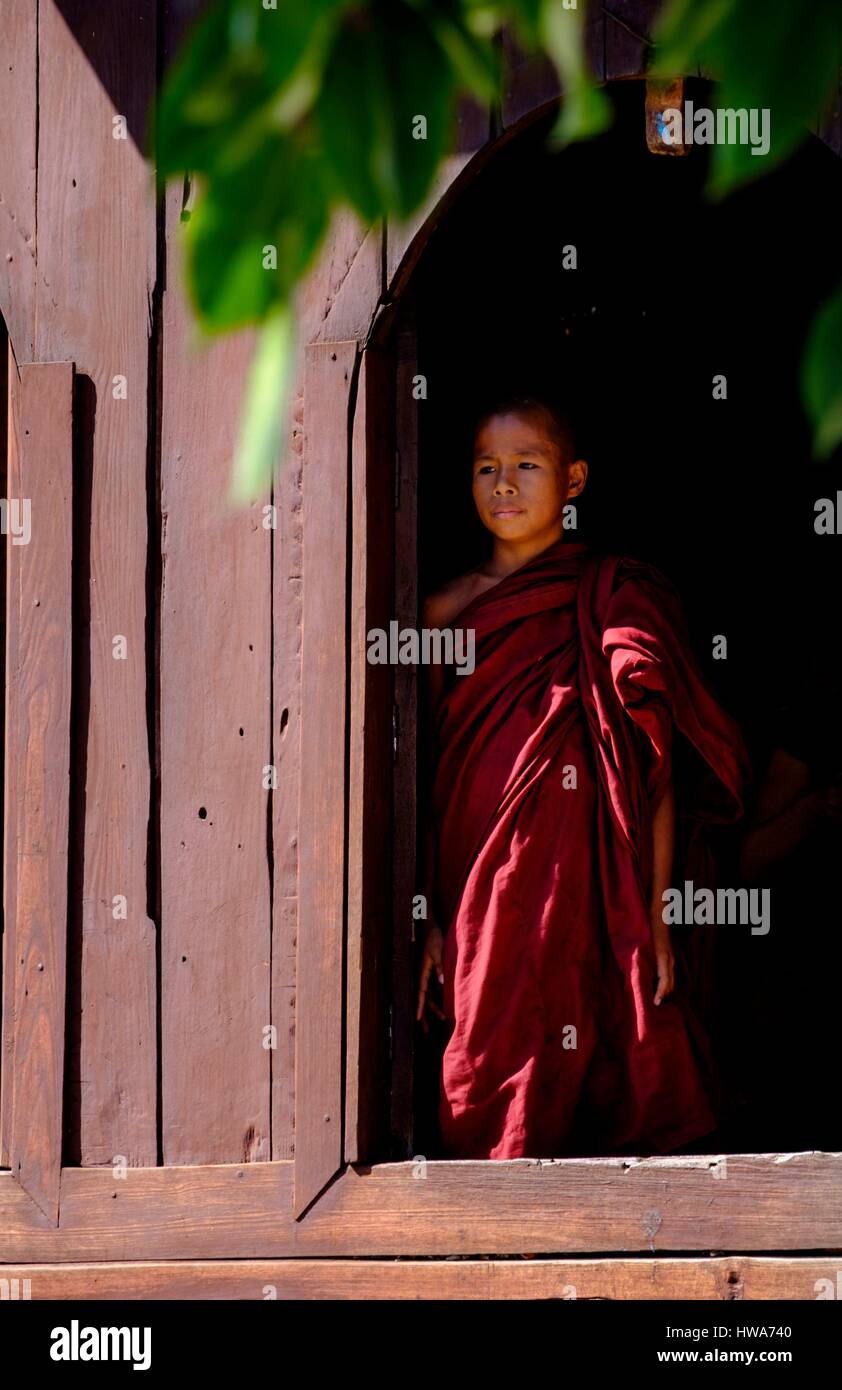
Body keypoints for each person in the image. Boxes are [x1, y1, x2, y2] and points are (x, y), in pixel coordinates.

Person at [415, 393, 749, 1160]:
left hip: (603, 883)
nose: (504, 484)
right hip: (480, 878)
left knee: (616, 1036)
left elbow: (653, 770)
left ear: (574, 480)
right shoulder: (441, 613)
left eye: (527, 465)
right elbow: (426, 777)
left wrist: (660, 913)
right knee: (493, 1037)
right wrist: (424, 913)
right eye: (486, 468)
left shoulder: (612, 598)